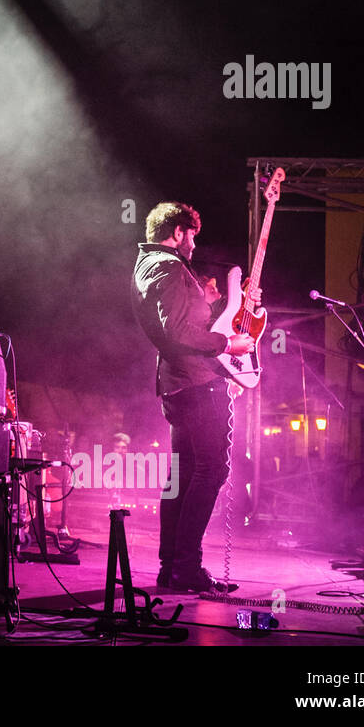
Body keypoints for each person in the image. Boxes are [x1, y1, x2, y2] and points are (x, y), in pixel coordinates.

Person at [131, 202, 257, 593]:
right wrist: (229, 344)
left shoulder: (148, 266)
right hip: (197, 385)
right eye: (193, 237)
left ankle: (172, 568)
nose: (194, 246)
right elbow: (180, 333)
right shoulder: (168, 268)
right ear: (179, 231)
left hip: (178, 383)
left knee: (181, 478)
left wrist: (228, 309)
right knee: (211, 471)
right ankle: (186, 567)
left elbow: (186, 323)